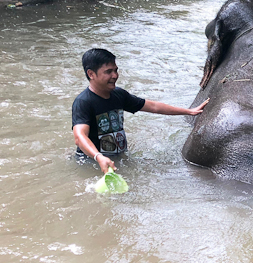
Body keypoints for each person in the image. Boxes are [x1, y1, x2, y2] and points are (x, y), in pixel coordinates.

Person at [72, 48, 208, 173]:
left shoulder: (119, 95)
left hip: (116, 157)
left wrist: (189, 111)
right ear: (91, 74)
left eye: (116, 70)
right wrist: (98, 157)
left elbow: (153, 107)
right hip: (92, 161)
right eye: (108, 72)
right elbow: (80, 137)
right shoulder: (84, 102)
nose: (115, 75)